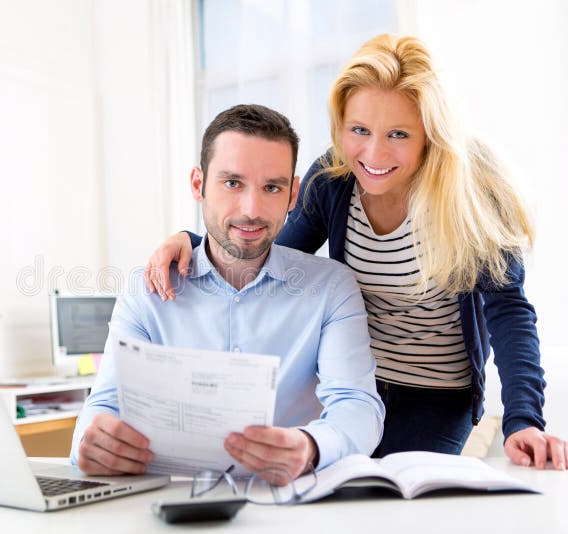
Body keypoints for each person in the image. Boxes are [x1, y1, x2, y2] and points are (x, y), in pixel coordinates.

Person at [145, 34, 567, 470]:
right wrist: (194, 241)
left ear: (431, 135)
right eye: (359, 130)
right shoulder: (333, 180)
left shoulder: (471, 193)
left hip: (437, 396)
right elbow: (273, 254)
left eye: (398, 134)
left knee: (397, 500)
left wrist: (523, 421)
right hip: (351, 388)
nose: (374, 153)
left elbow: (509, 313)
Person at [70, 104, 384, 478]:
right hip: (167, 505)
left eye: (271, 187)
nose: (251, 209)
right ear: (198, 184)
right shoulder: (148, 289)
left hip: (286, 505)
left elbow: (358, 406)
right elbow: (104, 405)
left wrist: (312, 448)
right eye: (232, 183)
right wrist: (92, 444)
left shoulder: (331, 288)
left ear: (293, 194)